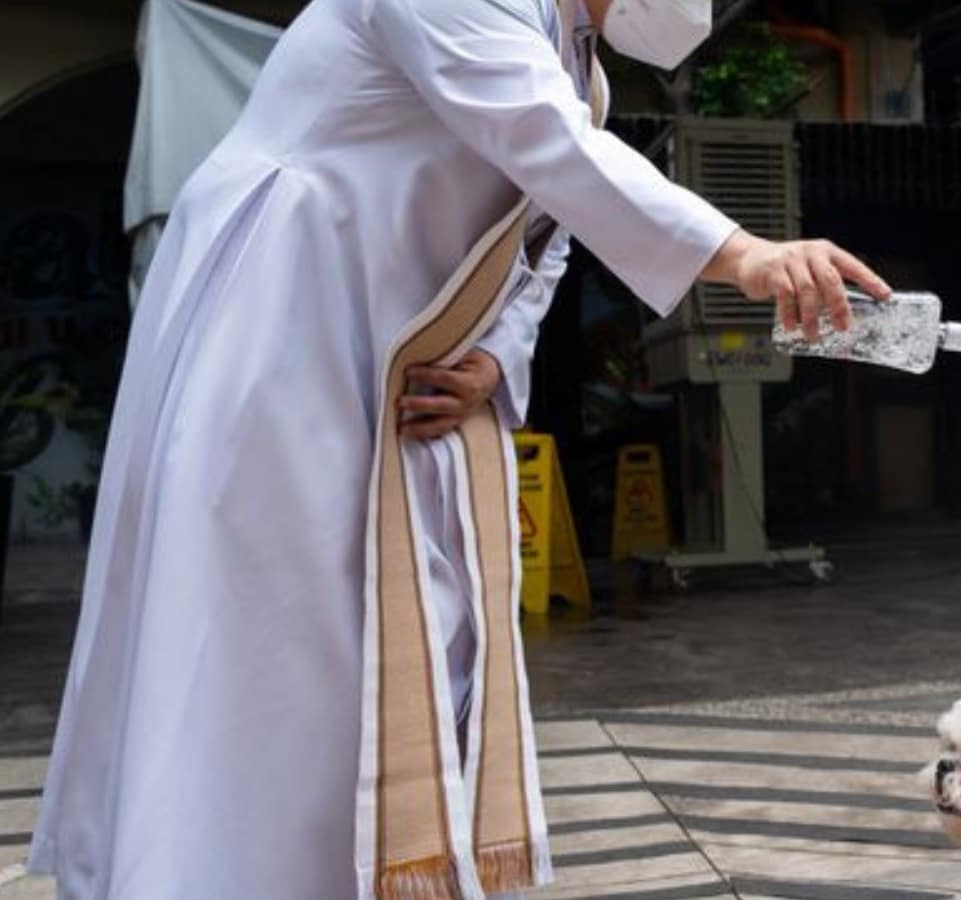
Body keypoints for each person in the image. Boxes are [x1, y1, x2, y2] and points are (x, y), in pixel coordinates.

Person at [26, 0, 890, 897]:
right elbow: (541, 141)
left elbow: (543, 238)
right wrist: (741, 253)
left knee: (388, 635)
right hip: (283, 315)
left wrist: (494, 355)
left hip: (390, 352)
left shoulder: (576, 62)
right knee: (261, 626)